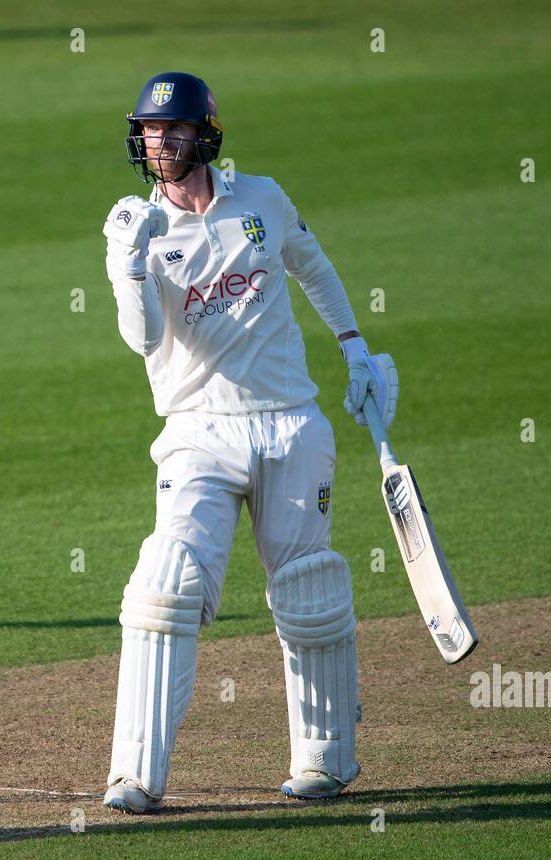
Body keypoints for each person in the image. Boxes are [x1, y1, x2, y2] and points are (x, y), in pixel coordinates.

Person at [100, 71, 398, 813]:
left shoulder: (261, 199)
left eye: (171, 130)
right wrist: (132, 262)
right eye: (148, 130)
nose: (157, 142)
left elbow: (314, 267)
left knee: (309, 589)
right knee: (167, 584)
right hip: (198, 432)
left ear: (205, 133)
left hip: (292, 421)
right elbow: (142, 339)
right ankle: (135, 775)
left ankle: (325, 763)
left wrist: (356, 347)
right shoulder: (131, 226)